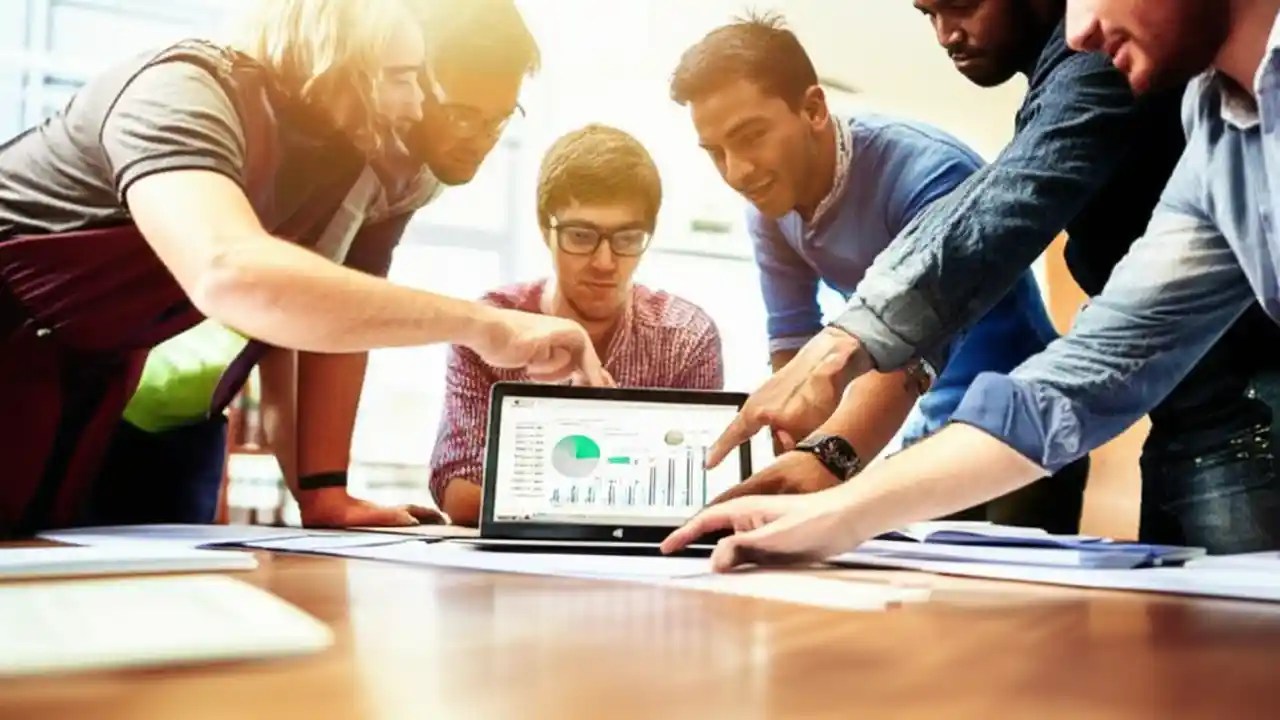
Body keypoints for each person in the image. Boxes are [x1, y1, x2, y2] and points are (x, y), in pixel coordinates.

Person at [663, 0, 1280, 570]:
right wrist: (835, 509)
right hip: (1158, 420)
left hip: (1233, 418)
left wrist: (843, 359)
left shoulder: (926, 165)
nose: (1078, 29)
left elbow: (1005, 212)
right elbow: (1083, 375)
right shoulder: (1218, 134)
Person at [0, 0, 608, 538]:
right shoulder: (180, 90)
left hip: (80, 376)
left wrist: (322, 489)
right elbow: (230, 272)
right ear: (340, 54)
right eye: (403, 77)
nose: (414, 101)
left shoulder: (339, 166)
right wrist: (486, 325)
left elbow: (340, 311)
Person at [668, 14, 1085, 532]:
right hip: (929, 426)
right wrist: (790, 458)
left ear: (814, 108)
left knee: (1011, 604)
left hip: (1023, 421)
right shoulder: (769, 210)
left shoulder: (929, 171)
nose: (737, 171)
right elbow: (792, 349)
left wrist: (830, 458)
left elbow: (913, 340)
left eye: (751, 137)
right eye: (716, 153)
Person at [429, 124, 725, 526]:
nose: (605, 262)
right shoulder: (490, 327)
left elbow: (697, 495)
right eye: (581, 236)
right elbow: (459, 490)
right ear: (543, 229)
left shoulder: (686, 338)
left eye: (627, 238)